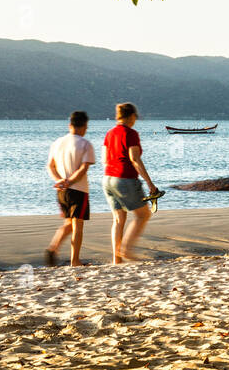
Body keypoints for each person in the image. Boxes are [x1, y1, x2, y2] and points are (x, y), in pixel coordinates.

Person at [102, 102, 163, 263]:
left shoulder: (109, 133)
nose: (135, 119)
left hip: (108, 179)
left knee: (118, 219)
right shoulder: (131, 134)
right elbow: (135, 159)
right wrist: (150, 184)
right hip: (125, 178)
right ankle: (126, 249)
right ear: (131, 116)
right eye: (135, 116)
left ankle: (117, 259)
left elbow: (104, 159)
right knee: (143, 215)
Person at [45, 111, 96, 267]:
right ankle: (75, 260)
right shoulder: (85, 144)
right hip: (78, 190)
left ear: (70, 125)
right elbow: (83, 169)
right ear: (85, 126)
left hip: (61, 190)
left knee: (69, 223)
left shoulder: (57, 142)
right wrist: (70, 181)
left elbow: (50, 166)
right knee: (77, 226)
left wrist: (60, 180)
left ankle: (53, 248)